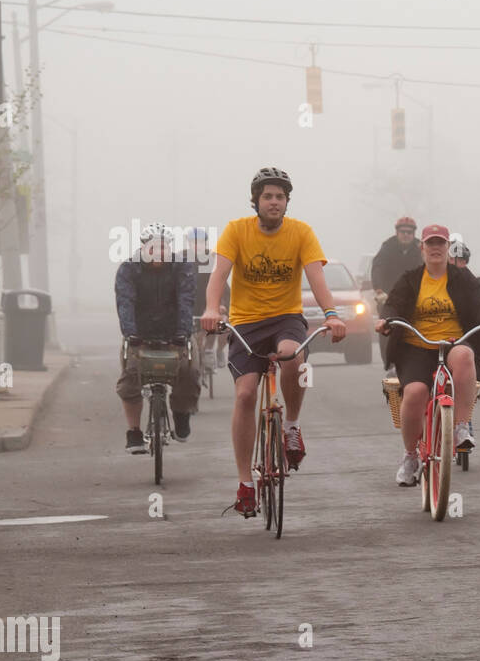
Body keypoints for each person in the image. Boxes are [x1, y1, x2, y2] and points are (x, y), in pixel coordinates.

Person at [198, 167, 347, 517]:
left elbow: (316, 277)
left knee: (292, 357)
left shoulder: (301, 232)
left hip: (285, 319)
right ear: (256, 201)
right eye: (268, 196)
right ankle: (245, 483)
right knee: (246, 393)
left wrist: (331, 314)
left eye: (280, 197)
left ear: (287, 202)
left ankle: (292, 427)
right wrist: (210, 309)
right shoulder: (236, 230)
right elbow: (219, 274)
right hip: (247, 323)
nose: (274, 202)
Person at [375, 224, 480, 487]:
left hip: (453, 343)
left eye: (440, 243)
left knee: (466, 357)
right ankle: (410, 456)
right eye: (430, 243)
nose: (435, 248)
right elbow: (394, 304)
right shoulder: (410, 279)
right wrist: (386, 319)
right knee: (415, 392)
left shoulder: (461, 278)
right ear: (422, 248)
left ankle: (461, 428)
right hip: (416, 347)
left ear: (447, 248)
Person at [115, 222, 200, 451]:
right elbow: (125, 302)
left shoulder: (182, 268)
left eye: (163, 247)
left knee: (189, 371)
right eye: (153, 247)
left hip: (175, 333)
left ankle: (181, 415)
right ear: (144, 248)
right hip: (139, 335)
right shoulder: (128, 269)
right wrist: (130, 333)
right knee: (130, 376)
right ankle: (134, 431)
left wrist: (182, 333)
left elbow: (186, 300)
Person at [447, 239, 480, 441]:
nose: (457, 264)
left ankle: (463, 422)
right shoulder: (432, 283)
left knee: (473, 376)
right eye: (453, 259)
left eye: (461, 260)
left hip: (470, 341)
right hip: (438, 340)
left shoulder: (478, 284)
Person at [370, 216, 421, 370]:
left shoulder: (420, 248)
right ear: (397, 232)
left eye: (409, 232)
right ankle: (390, 364)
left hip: (413, 297)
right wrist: (379, 290)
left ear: (414, 234)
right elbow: (378, 268)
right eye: (403, 232)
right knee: (386, 326)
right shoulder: (387, 247)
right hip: (389, 297)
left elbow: (427, 268)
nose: (406, 235)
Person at [188, 227, 229, 369]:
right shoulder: (181, 259)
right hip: (191, 301)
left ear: (205, 243)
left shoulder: (212, 259)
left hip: (211, 298)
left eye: (200, 242)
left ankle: (215, 351)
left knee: (222, 326)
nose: (196, 245)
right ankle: (197, 354)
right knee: (197, 336)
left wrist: (221, 304)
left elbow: (221, 282)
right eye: (193, 242)